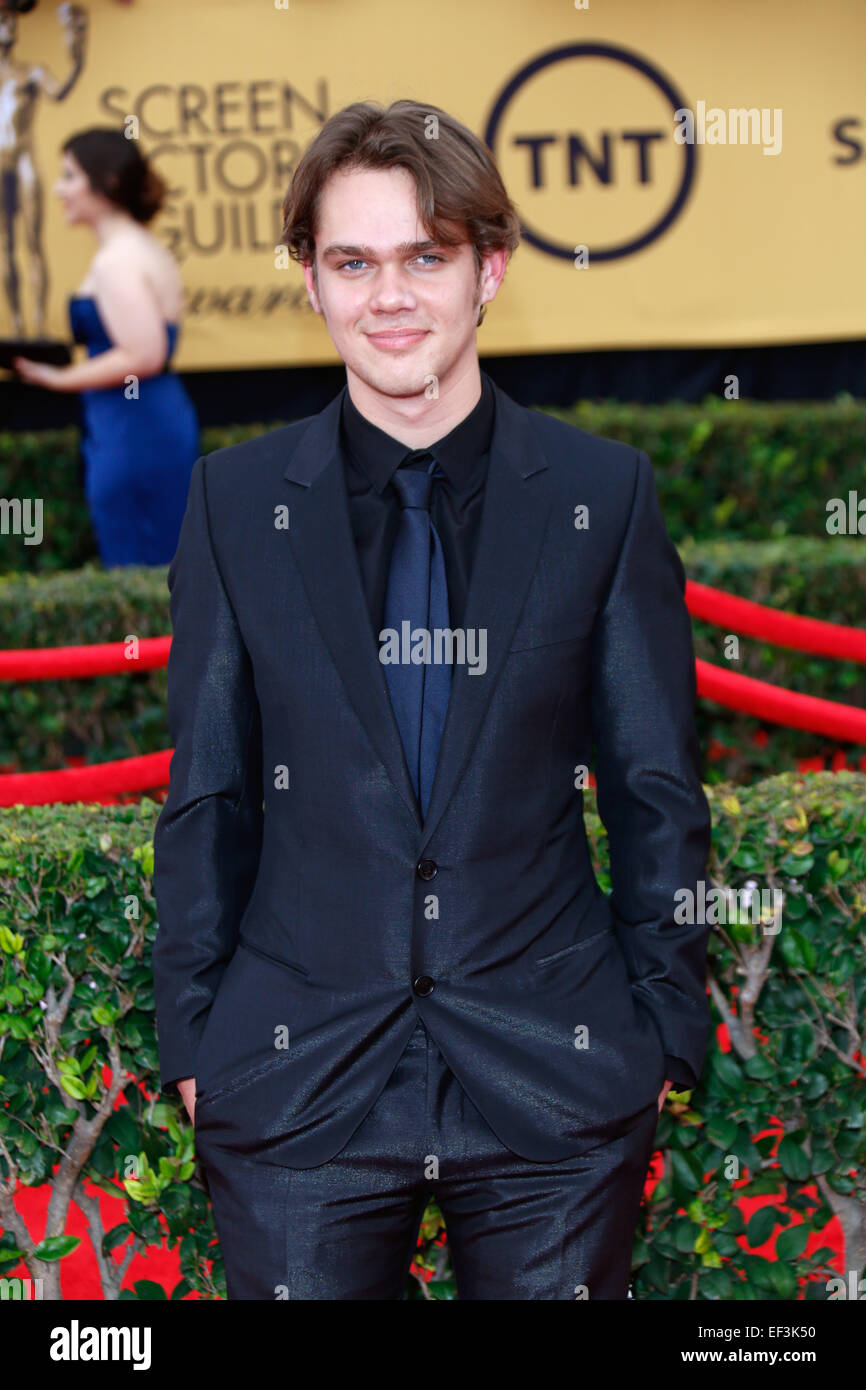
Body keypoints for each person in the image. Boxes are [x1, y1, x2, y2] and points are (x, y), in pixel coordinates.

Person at [151, 98, 713, 1301]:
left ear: (488, 270)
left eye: (425, 256)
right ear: (308, 279)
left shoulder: (597, 495)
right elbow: (208, 789)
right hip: (297, 1083)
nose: (389, 295)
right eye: (352, 260)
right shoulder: (236, 504)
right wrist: (196, 1041)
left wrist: (660, 1023)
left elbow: (655, 779)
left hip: (549, 1079)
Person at [12, 127, 199, 567]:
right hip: (141, 425)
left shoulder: (119, 259)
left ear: (107, 183)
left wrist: (57, 378)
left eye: (70, 176)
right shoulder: (138, 249)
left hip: (134, 432)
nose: (59, 189)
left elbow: (143, 354)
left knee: (145, 567)